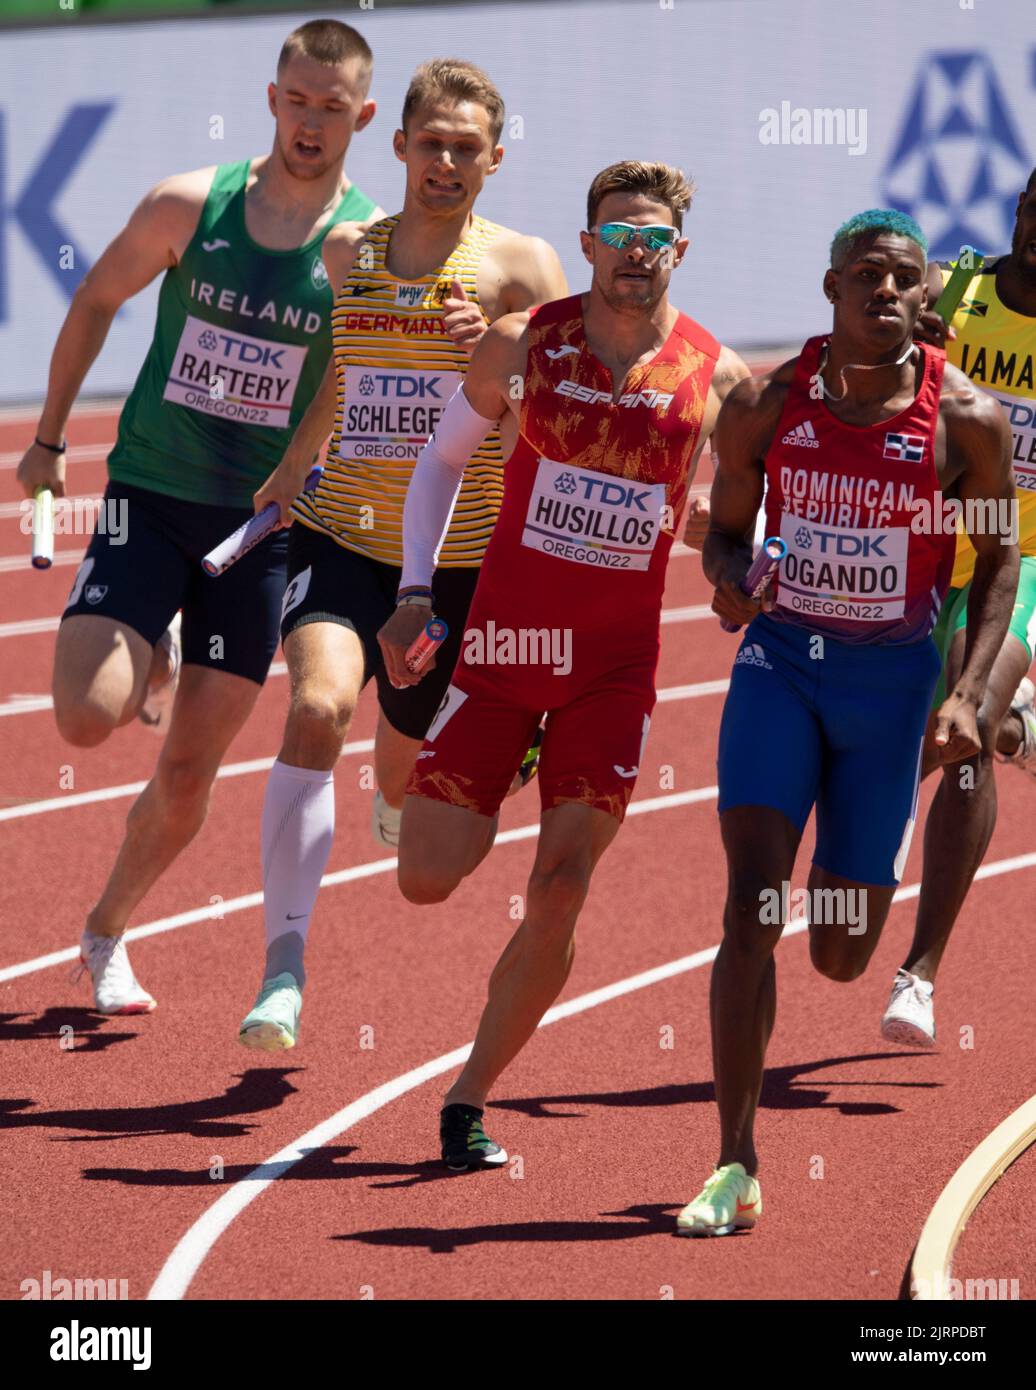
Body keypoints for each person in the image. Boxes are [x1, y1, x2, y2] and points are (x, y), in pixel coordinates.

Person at [378, 159, 750, 1169]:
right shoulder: (520, 345)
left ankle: (466, 1099)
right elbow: (442, 462)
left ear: (678, 249)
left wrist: (731, 568)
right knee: (425, 877)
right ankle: (510, 757)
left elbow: (728, 524)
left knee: (557, 883)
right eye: (618, 234)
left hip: (612, 671)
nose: (636, 252)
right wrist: (415, 589)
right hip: (502, 652)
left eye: (654, 237)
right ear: (585, 245)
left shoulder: (716, 377)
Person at [15, 20, 381, 1016]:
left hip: (261, 530)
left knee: (188, 765)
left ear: (363, 116)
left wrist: (309, 470)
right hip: (149, 494)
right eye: (297, 101)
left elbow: (366, 378)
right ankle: (156, 641)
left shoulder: (360, 249)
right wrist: (48, 440)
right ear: (272, 99)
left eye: (332, 108)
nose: (311, 123)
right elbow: (94, 300)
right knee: (86, 719)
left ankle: (106, 933)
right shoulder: (191, 203)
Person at [680, 209, 1018, 1236]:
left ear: (927, 297)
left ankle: (871, 864)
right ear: (828, 288)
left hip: (890, 691)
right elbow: (726, 536)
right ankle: (733, 1160)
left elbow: (1000, 562)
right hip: (781, 668)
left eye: (903, 278)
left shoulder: (968, 421)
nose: (884, 291)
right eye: (865, 275)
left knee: (836, 949)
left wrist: (966, 690)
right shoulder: (765, 402)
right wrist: (731, 583)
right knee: (750, 907)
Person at [237, 59, 567, 1052]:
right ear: (401, 147)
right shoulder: (348, 250)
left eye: (467, 148)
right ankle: (283, 968)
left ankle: (393, 788)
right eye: (432, 144)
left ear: (495, 158)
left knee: (402, 748)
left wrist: (501, 351)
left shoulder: (520, 266)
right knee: (318, 702)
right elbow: (347, 368)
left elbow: (565, 406)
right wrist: (295, 460)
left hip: (459, 564)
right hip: (344, 534)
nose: (447, 162)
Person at [880, 172, 1036, 1047]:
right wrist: (906, 333)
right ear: (1018, 212)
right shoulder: (953, 288)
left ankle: (921, 973)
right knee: (915, 745)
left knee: (959, 728)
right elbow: (871, 313)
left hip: (1025, 562)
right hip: (924, 549)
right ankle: (1022, 732)